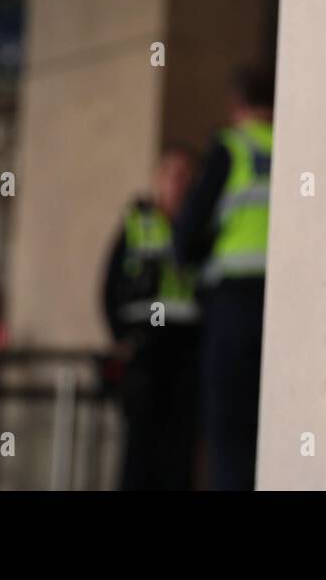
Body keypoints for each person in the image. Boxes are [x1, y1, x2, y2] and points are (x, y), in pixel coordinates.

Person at [174, 66, 273, 490]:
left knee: (230, 433)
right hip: (284, 304)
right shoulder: (301, 142)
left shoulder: (231, 147)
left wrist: (195, 252)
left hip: (233, 305)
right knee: (273, 428)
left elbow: (187, 234)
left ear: (237, 105)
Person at [101, 144, 200, 490]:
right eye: (174, 175)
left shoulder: (202, 226)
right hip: (145, 349)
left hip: (187, 349)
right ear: (158, 179)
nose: (180, 184)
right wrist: (121, 339)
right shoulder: (137, 224)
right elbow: (110, 287)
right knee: (140, 451)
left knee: (178, 454)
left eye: (187, 176)